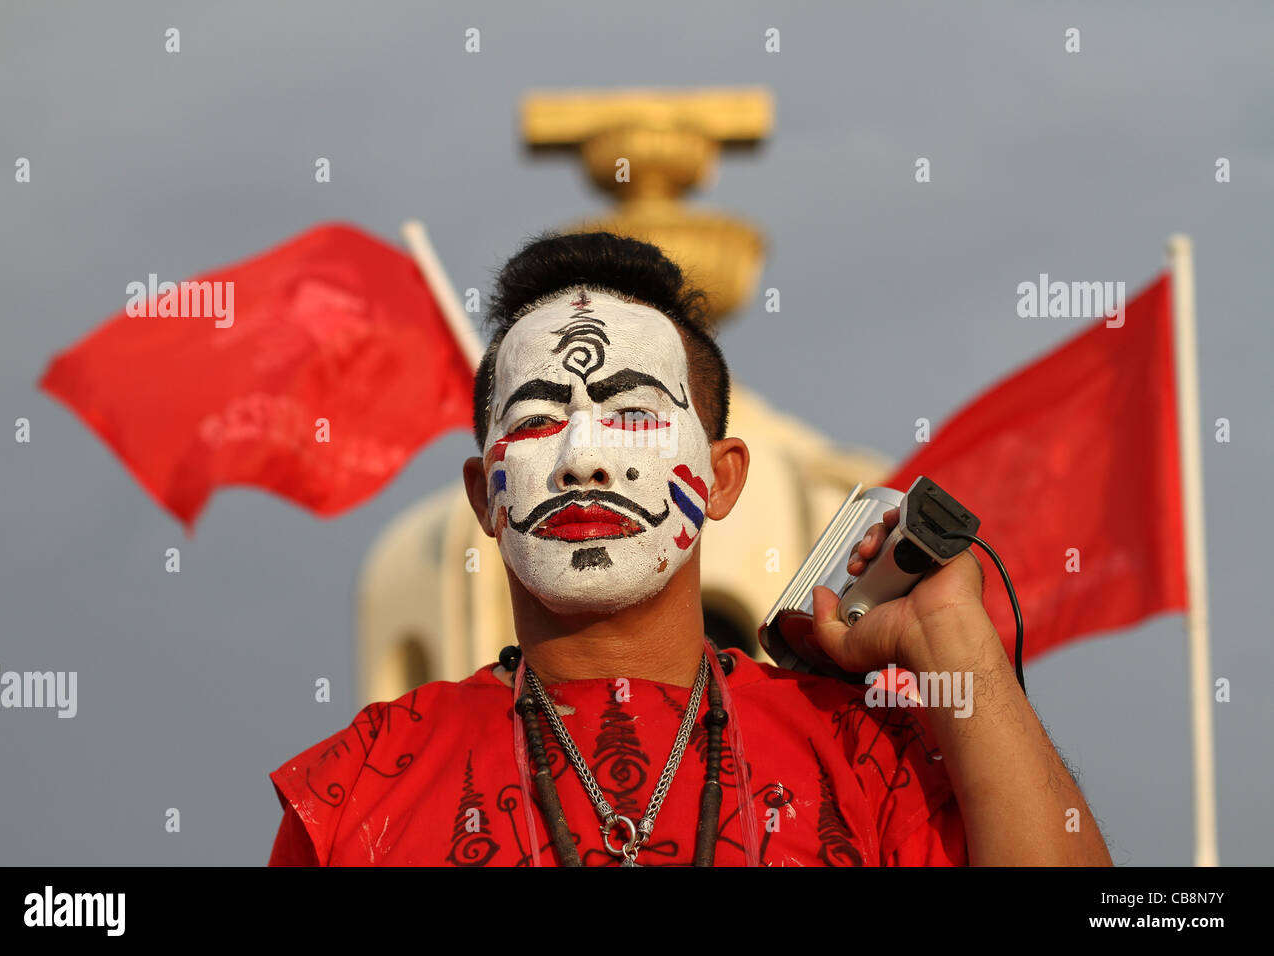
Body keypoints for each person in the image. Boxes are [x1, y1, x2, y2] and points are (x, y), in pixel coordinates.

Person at [266, 231, 1112, 866]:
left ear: (720, 478)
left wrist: (958, 646)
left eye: (632, 411)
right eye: (536, 421)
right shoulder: (361, 789)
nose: (583, 454)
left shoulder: (863, 758)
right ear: (485, 493)